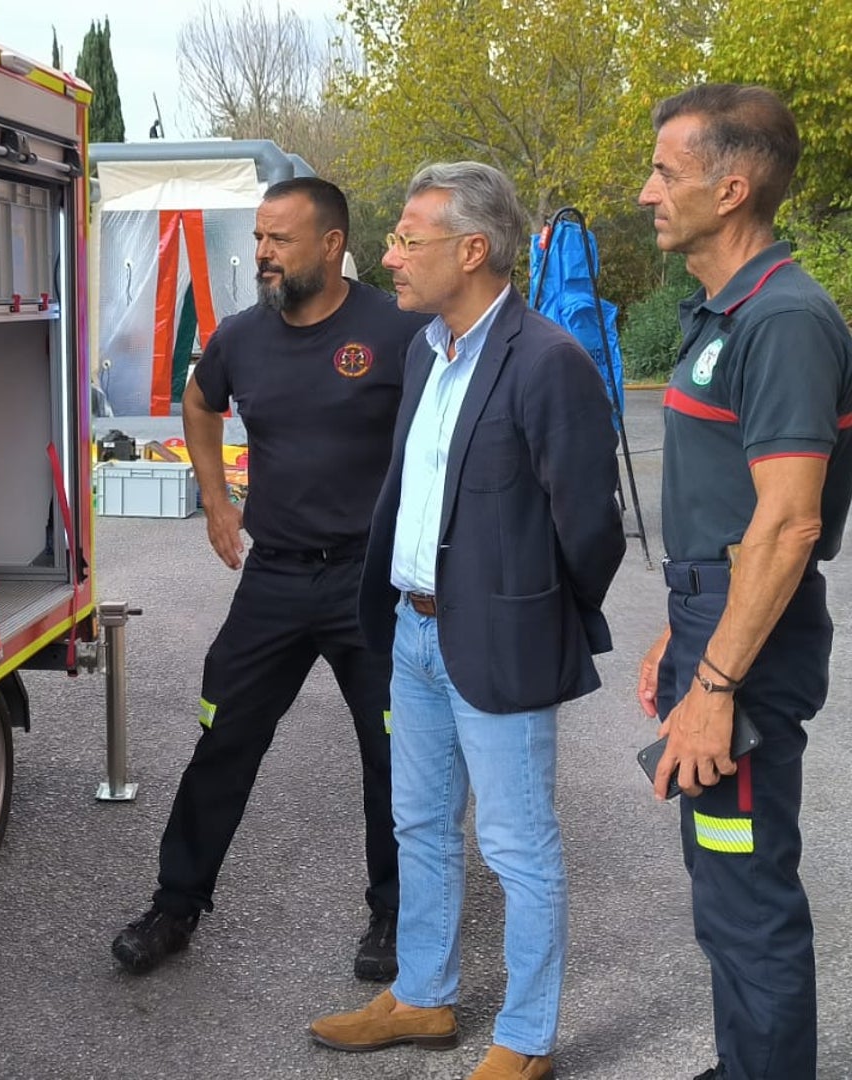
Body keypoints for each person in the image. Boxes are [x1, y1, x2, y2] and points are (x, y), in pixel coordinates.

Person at [307, 161, 625, 1080]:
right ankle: (424, 997)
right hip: (413, 633)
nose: (391, 258)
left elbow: (590, 527)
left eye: (410, 239)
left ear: (473, 250)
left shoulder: (548, 360)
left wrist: (537, 612)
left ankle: (525, 1041)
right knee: (420, 825)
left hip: (501, 638)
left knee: (518, 847)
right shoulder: (425, 351)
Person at [109, 177, 431, 981]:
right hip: (276, 580)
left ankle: (393, 916)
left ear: (331, 244)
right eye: (258, 239)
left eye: (278, 240)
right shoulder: (242, 338)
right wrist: (216, 500)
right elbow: (198, 399)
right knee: (223, 739)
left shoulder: (398, 331)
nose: (260, 254)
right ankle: (175, 905)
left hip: (371, 583)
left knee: (393, 753)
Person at [635, 83, 852, 1080]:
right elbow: (728, 512)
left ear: (732, 189)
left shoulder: (786, 319)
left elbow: (790, 521)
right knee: (721, 877)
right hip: (714, 625)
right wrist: (680, 636)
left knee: (746, 892)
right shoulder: (724, 310)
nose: (647, 193)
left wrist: (716, 685)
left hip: (747, 658)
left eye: (664, 173)